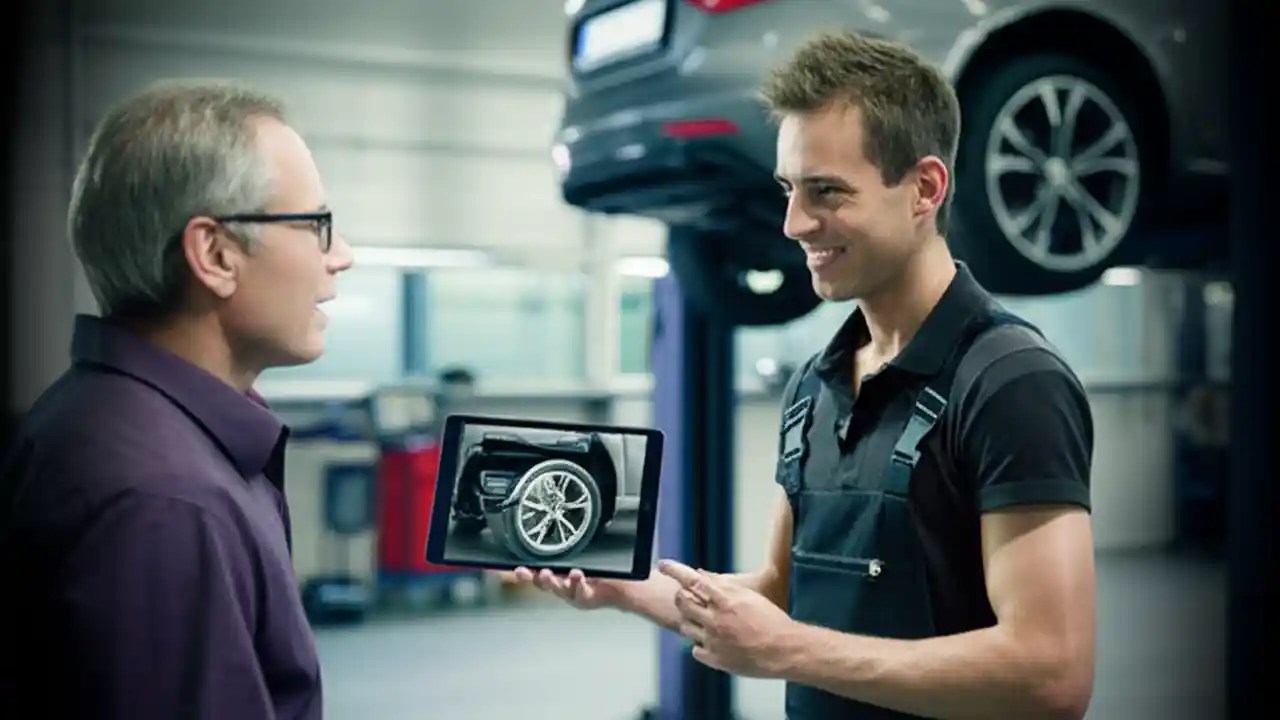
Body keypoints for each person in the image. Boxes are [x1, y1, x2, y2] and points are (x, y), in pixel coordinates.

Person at [512, 30, 1096, 720]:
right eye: (789, 189)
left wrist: (791, 651)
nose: (793, 223)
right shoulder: (815, 390)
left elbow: (1050, 674)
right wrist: (625, 588)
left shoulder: (1012, 384)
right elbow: (785, 593)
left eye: (826, 192)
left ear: (924, 188)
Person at [0, 81, 354, 718]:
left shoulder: (104, 419)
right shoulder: (166, 502)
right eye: (316, 226)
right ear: (214, 255)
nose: (342, 256)